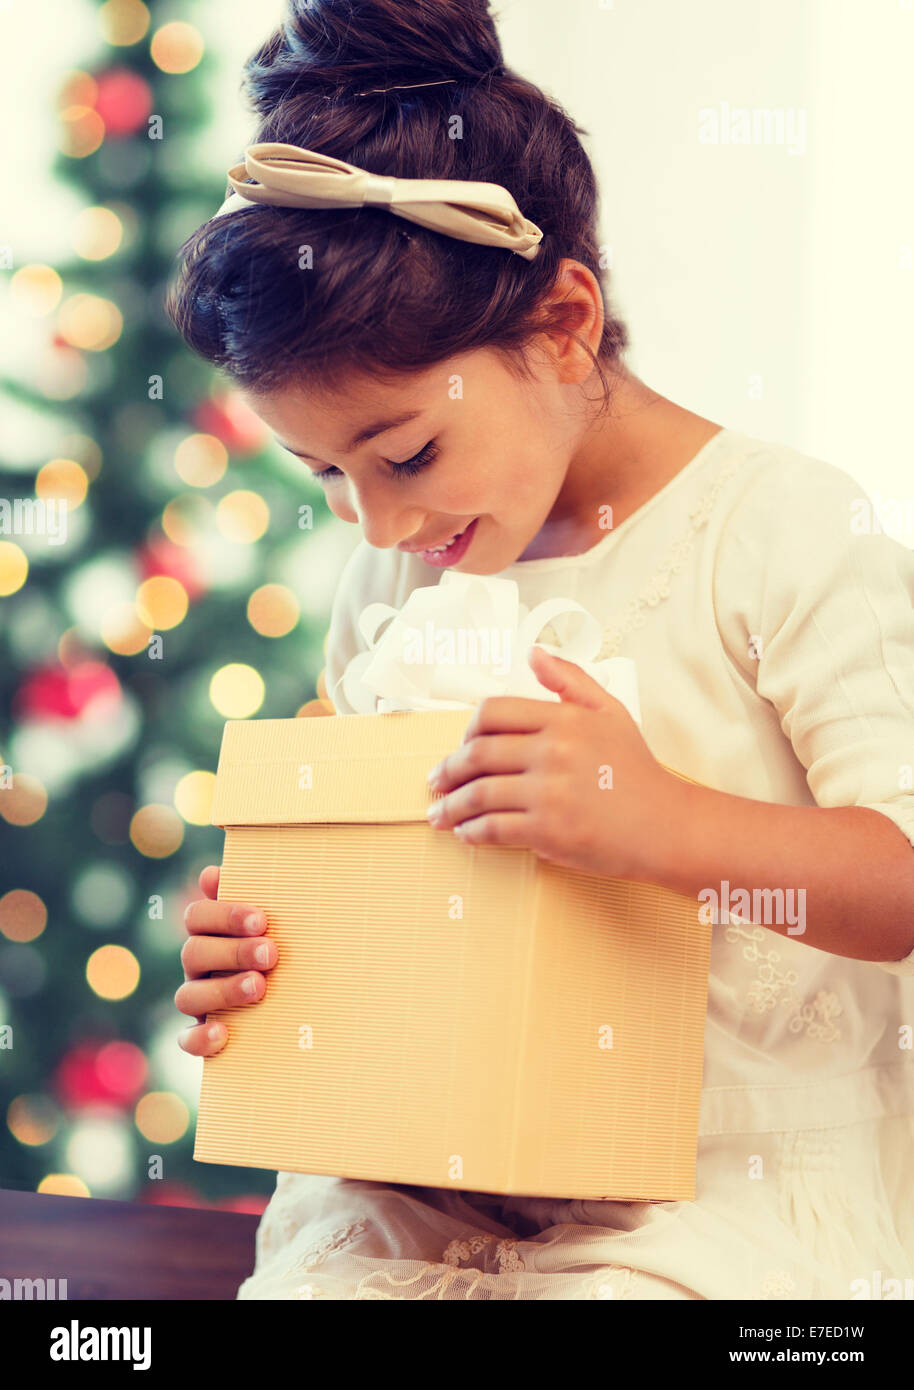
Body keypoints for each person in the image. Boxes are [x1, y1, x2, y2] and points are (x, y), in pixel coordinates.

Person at [168, 0, 914, 1300]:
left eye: (405, 454)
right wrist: (266, 940)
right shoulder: (394, 575)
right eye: (324, 474)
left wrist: (660, 821)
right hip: (417, 1179)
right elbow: (378, 875)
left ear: (564, 323)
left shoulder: (778, 533)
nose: (379, 520)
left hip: (710, 1197)